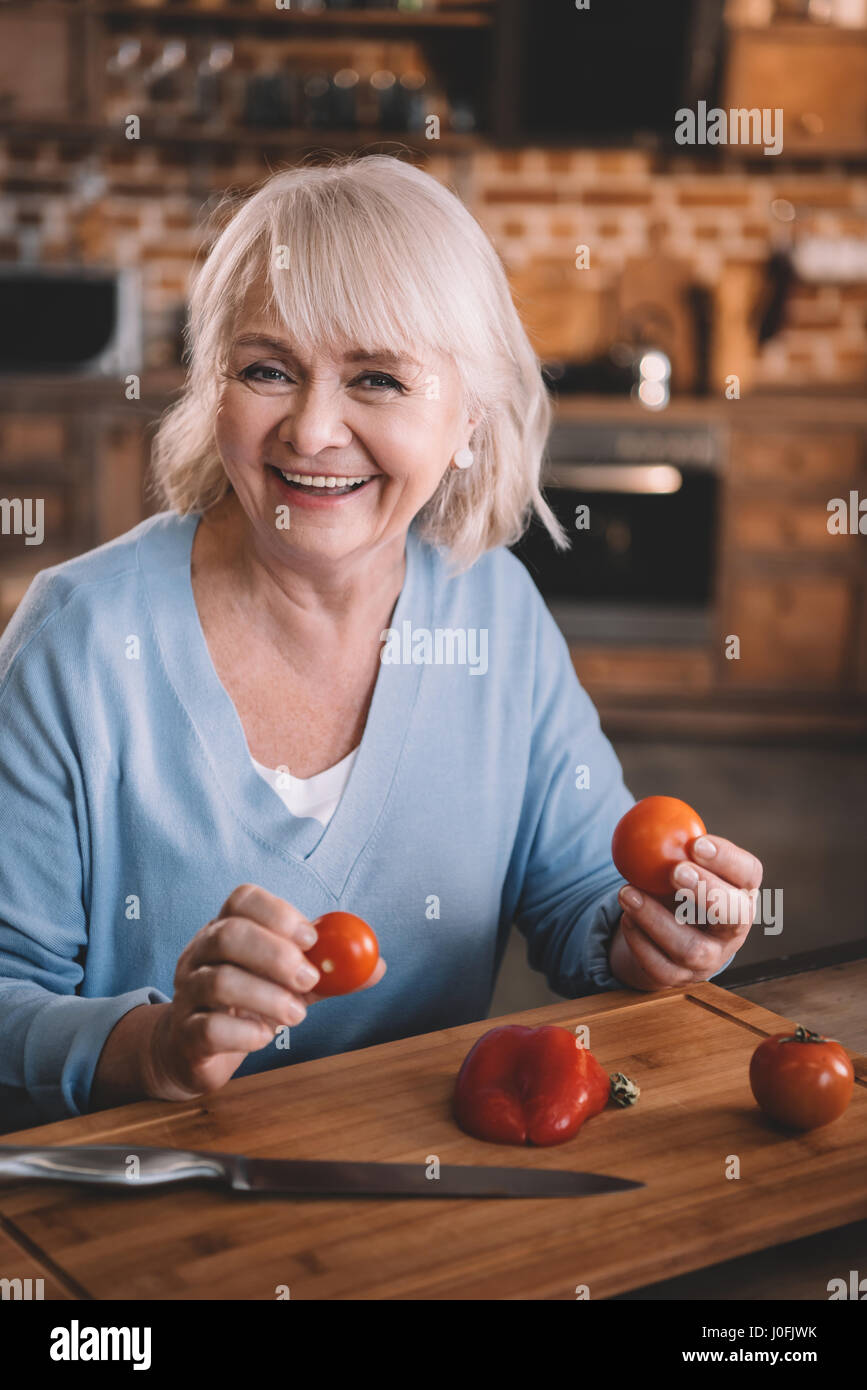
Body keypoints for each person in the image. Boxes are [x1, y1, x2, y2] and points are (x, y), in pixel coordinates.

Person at [0, 156, 762, 1131]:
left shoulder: (496, 615)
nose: (313, 429)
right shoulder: (81, 640)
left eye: (378, 378)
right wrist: (155, 1046)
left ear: (468, 418)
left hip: (419, 1214)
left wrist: (662, 933)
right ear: (212, 387)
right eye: (267, 369)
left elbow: (585, 899)